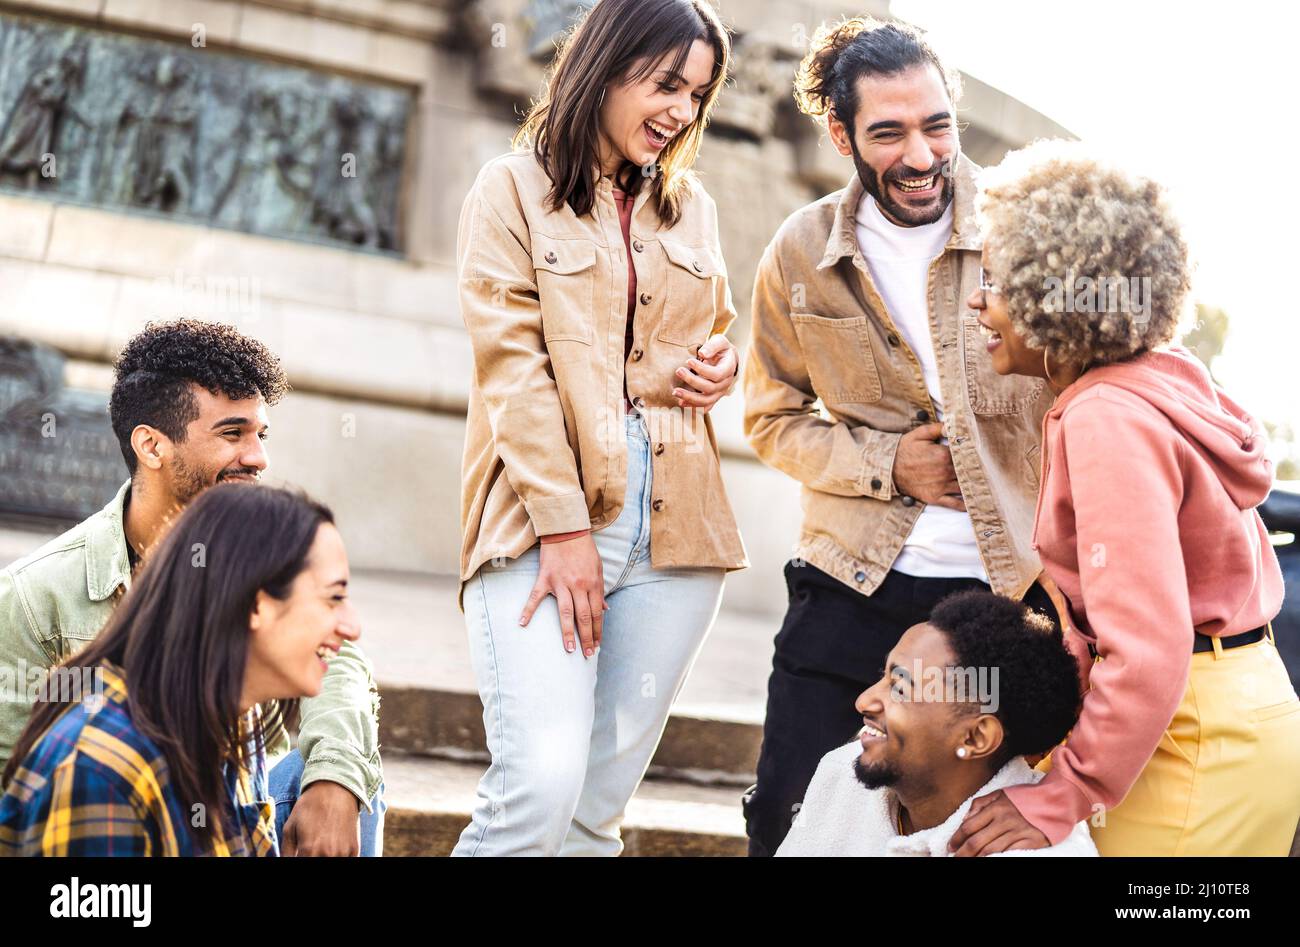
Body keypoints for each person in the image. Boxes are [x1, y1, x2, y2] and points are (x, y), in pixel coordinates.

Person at [740, 16, 1054, 856]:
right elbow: (769, 418)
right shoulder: (799, 251)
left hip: (1004, 598)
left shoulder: (1028, 228)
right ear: (840, 133)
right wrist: (888, 464)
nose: (921, 156)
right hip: (852, 581)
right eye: (888, 133)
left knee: (982, 834)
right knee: (786, 815)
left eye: (937, 126)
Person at [453, 0, 747, 856]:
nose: (681, 111)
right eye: (666, 85)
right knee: (538, 788)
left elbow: (710, 328)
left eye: (697, 94)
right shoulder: (510, 188)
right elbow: (512, 370)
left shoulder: (693, 208)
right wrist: (565, 526)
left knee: (593, 815)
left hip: (680, 533)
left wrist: (720, 362)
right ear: (606, 64)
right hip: (542, 520)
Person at [950, 140, 1300, 856]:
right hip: (1241, 710)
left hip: (1187, 742)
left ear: (1056, 294)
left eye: (996, 282)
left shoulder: (1105, 416)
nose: (977, 301)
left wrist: (1064, 793)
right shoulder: (1164, 379)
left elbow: (1146, 648)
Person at [0, 319, 385, 856]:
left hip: (237, 796)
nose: (258, 457)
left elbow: (337, 661)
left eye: (261, 435)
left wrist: (334, 779)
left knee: (343, 774)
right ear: (152, 446)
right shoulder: (32, 594)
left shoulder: (258, 550)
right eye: (232, 434)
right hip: (108, 811)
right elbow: (17, 786)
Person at [0, 485, 357, 856]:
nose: (353, 627)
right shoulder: (103, 770)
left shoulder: (232, 713)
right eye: (333, 598)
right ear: (256, 605)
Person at [778, 590, 1096, 856]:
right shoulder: (841, 774)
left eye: (900, 688)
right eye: (882, 675)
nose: (864, 701)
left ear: (975, 737)